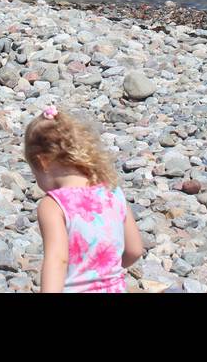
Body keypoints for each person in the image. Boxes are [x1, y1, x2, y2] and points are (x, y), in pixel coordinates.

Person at [23, 105, 144, 293]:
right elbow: (135, 250)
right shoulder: (113, 192)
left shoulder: (54, 205)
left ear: (43, 162)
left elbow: (57, 260)